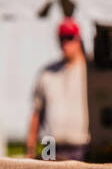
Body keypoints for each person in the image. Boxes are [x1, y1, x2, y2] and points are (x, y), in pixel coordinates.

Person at [27, 19, 90, 161]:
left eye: (69, 38)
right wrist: (30, 148)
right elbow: (36, 112)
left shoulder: (89, 71)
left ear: (78, 39)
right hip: (50, 143)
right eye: (62, 38)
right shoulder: (47, 73)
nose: (65, 43)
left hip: (80, 144)